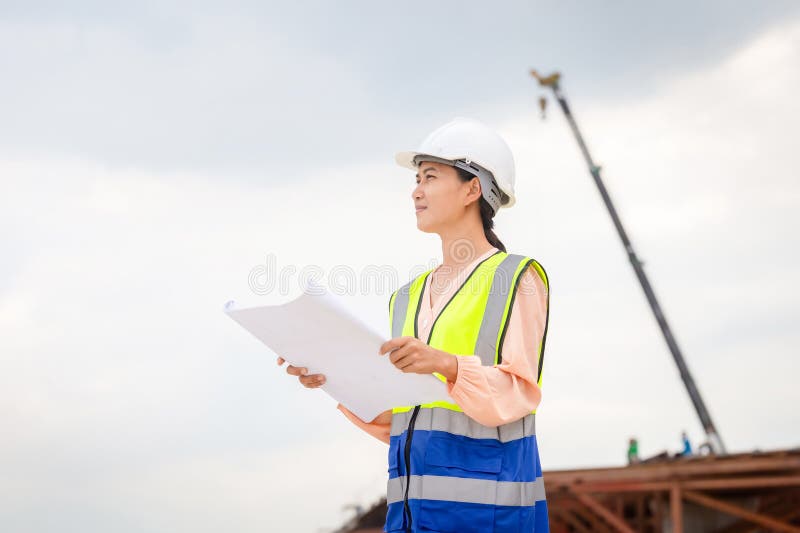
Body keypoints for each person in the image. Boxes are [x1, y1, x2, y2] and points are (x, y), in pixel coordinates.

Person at [277, 117, 551, 532]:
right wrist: (331, 374)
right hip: (411, 516)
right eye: (417, 178)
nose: (416, 190)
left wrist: (448, 364)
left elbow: (518, 394)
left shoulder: (515, 278)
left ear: (472, 189)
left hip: (490, 517)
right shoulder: (406, 297)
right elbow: (405, 420)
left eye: (430, 177)